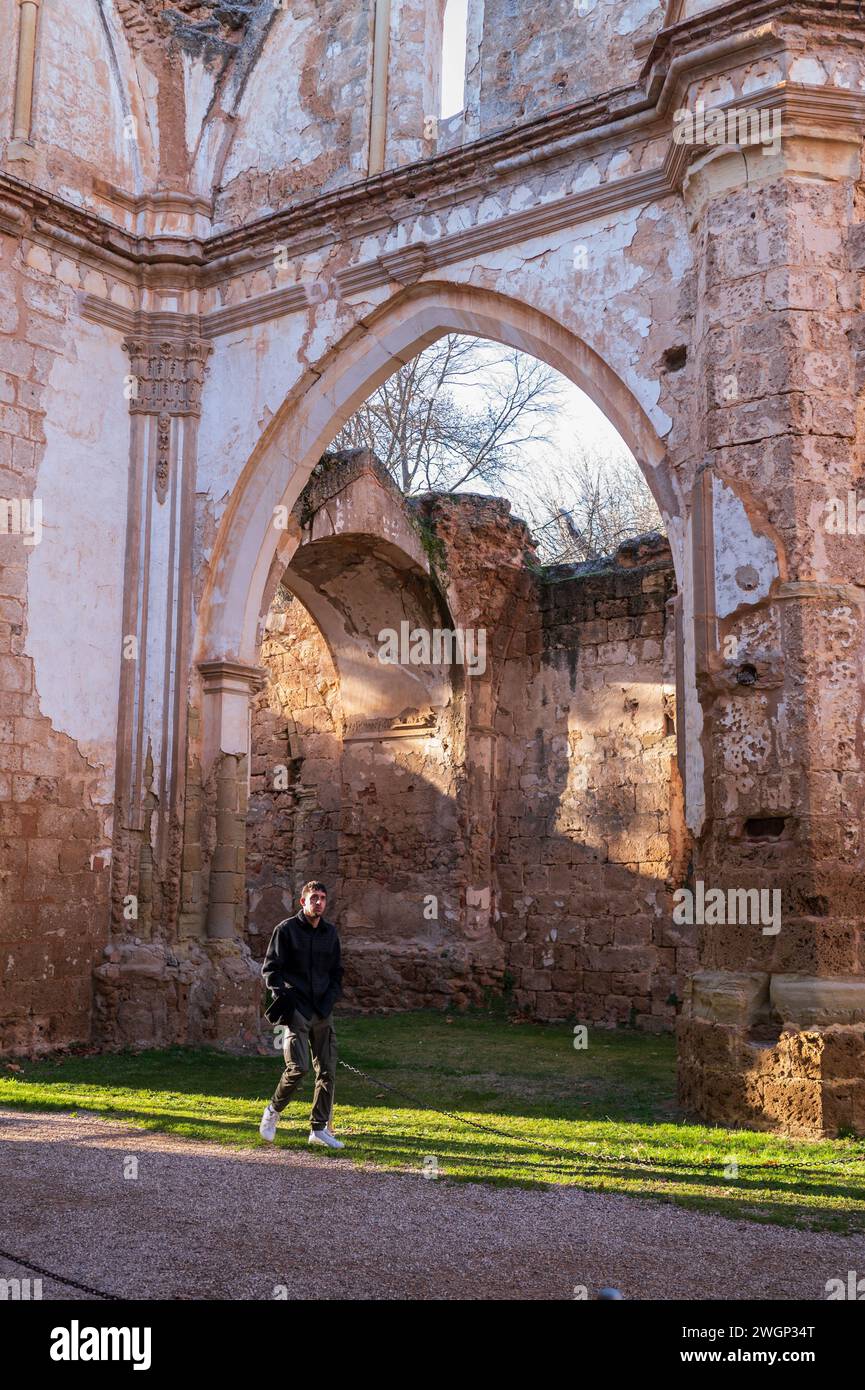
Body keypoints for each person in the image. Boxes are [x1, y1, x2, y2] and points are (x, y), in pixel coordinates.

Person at [259, 881, 345, 1149]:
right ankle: (272, 1112)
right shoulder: (285, 930)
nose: (318, 902)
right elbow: (271, 970)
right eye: (313, 898)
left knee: (328, 1070)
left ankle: (318, 1130)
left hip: (322, 1010)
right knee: (299, 1068)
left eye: (322, 898)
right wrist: (287, 998)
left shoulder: (330, 933)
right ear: (302, 902)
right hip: (298, 1009)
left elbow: (336, 973)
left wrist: (330, 1000)